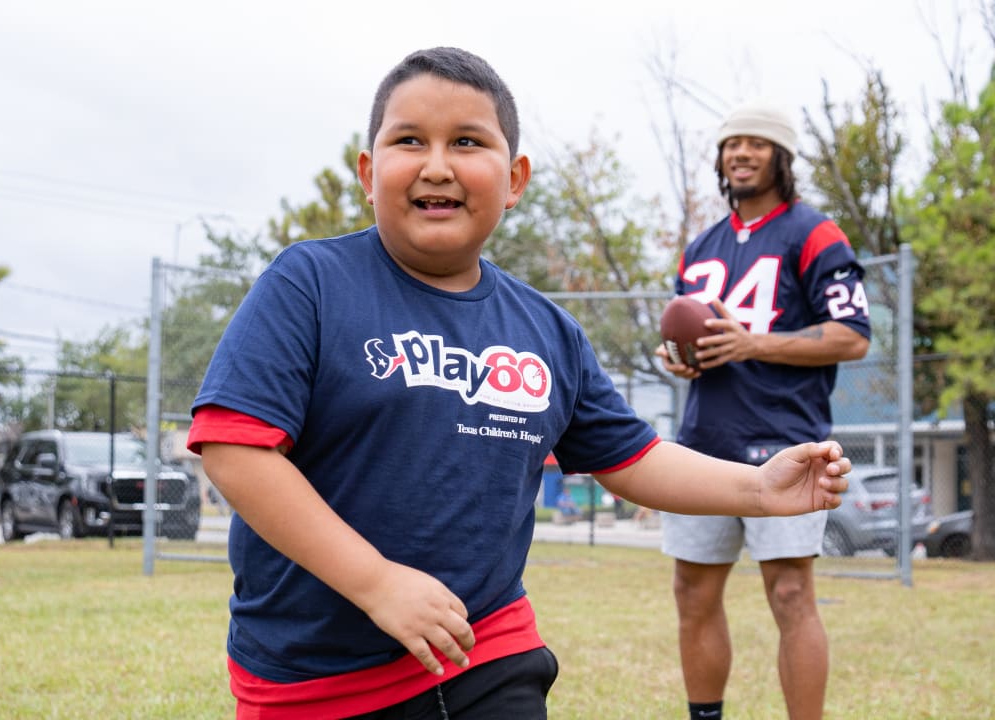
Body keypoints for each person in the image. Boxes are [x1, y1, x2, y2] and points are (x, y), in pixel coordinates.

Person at [187, 48, 852, 719]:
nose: (438, 164)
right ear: (368, 172)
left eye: (468, 142)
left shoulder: (546, 330)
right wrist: (376, 583)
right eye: (409, 140)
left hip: (487, 651)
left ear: (514, 179)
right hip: (315, 679)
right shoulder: (309, 284)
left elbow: (632, 457)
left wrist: (758, 487)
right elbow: (236, 450)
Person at [655, 101, 871, 720]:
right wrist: (680, 357)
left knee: (791, 591)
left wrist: (753, 344)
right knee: (692, 592)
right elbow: (687, 331)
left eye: (755, 143)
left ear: (781, 156)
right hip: (704, 440)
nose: (740, 154)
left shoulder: (814, 232)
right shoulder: (701, 246)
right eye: (731, 144)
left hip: (783, 440)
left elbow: (852, 335)